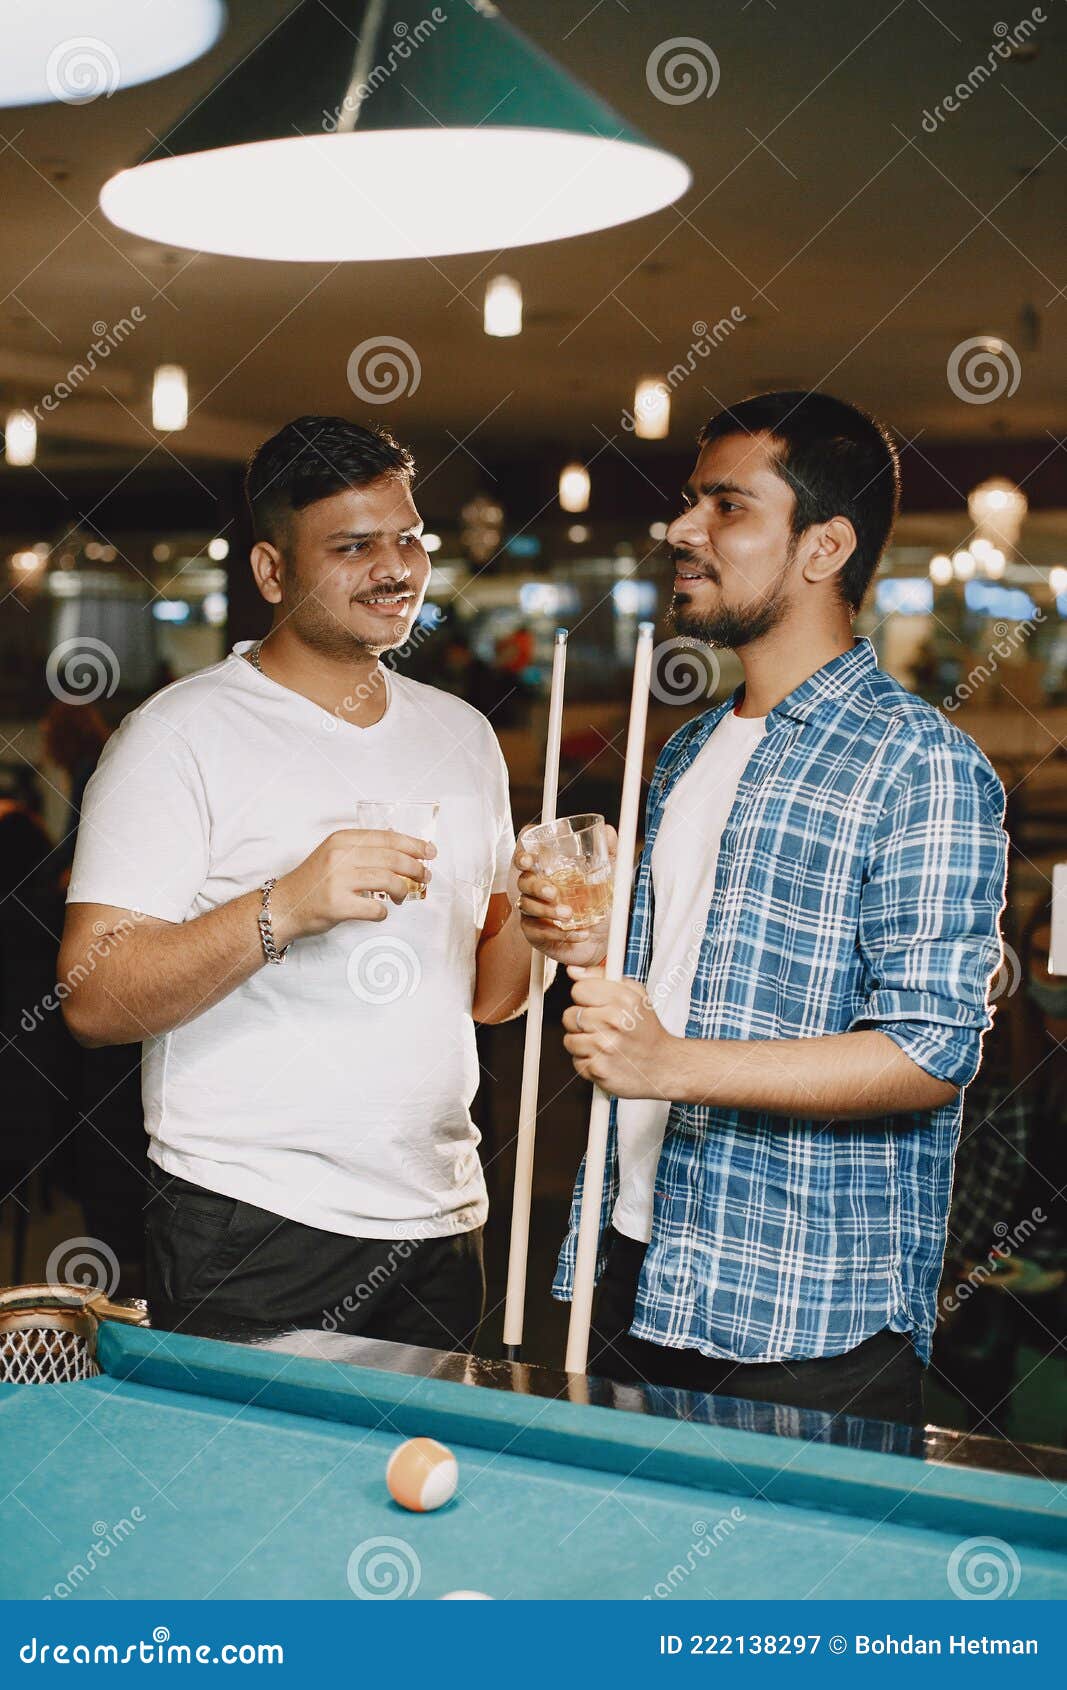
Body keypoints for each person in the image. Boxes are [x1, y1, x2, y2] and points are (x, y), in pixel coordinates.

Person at [521, 391, 1008, 1424]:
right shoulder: (690, 749)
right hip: (633, 1262)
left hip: (800, 1315)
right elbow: (686, 971)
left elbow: (929, 1050)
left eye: (726, 508)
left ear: (822, 546)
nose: (681, 530)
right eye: (689, 502)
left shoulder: (920, 759)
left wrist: (673, 1062)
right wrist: (591, 940)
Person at [58, 415, 537, 1350]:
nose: (394, 569)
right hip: (251, 1221)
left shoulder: (462, 735)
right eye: (354, 548)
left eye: (407, 540)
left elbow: (492, 998)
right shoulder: (176, 735)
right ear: (272, 572)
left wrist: (543, 925)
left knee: (421, 1488)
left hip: (441, 1220)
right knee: (249, 1498)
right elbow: (91, 998)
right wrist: (286, 906)